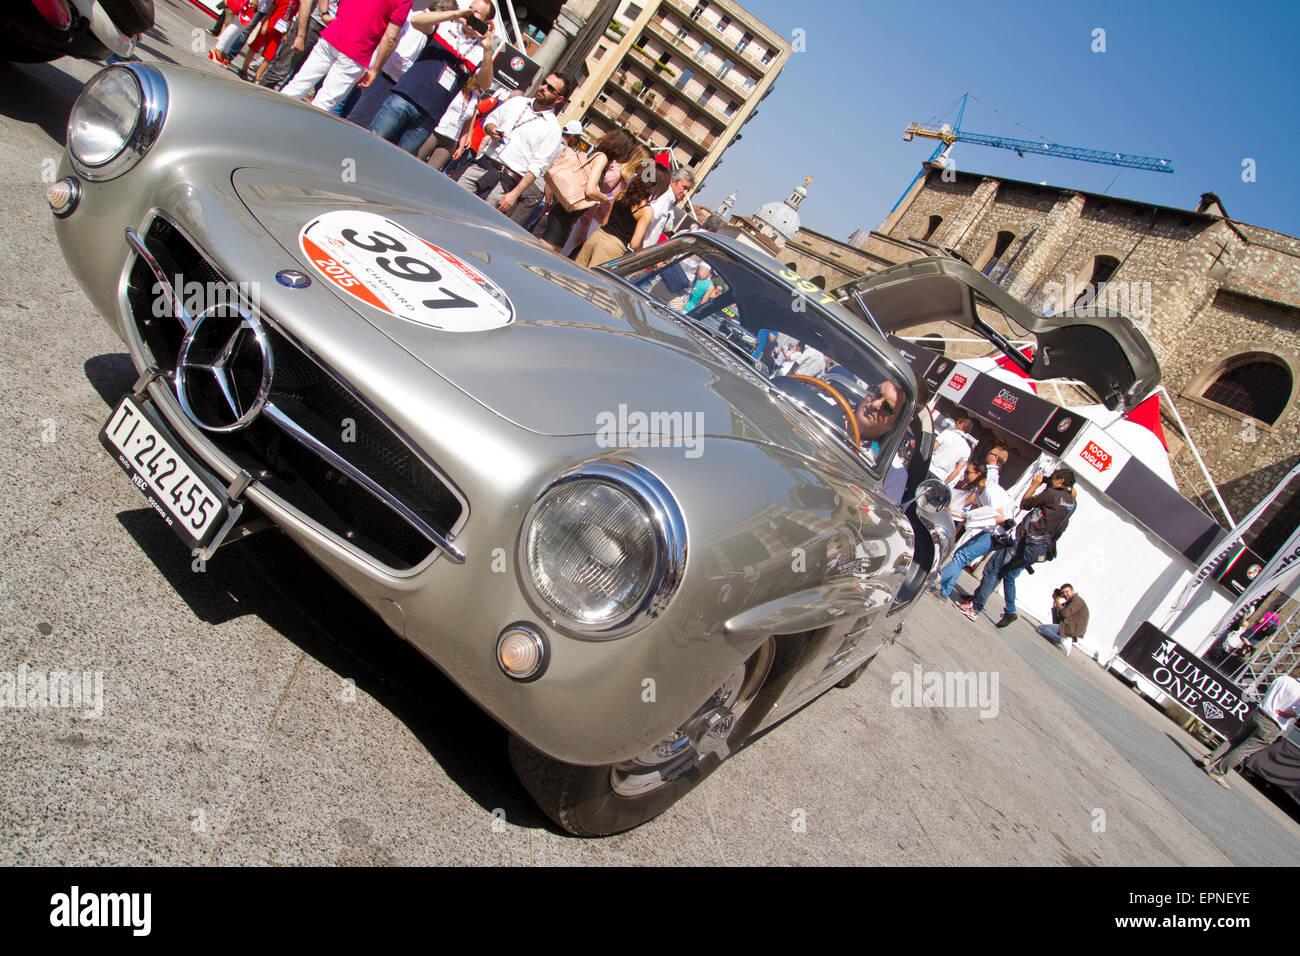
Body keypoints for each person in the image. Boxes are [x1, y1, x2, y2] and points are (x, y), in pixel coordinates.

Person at [368, 1, 495, 155]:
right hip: (405, 97)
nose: (470, 14)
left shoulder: (481, 52)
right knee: (371, 141)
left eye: (476, 13)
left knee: (396, 160)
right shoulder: (446, 25)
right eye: (470, 9)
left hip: (429, 117)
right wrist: (455, 14)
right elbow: (416, 21)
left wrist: (488, 49)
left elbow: (485, 84)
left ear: (487, 23)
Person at [958, 466, 1077, 626]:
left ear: (1061, 480)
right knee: (1007, 574)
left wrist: (1034, 486)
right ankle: (1007, 609)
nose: (1051, 480)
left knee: (993, 568)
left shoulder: (1051, 494)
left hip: (1023, 539)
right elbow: (1061, 525)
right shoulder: (1071, 503)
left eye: (1054, 478)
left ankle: (975, 607)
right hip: (1038, 546)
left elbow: (1025, 504)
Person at [460, 73, 570, 226]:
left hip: (504, 181)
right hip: (482, 165)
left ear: (559, 99)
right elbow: (491, 119)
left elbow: (537, 167)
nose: (543, 88)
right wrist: (491, 129)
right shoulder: (518, 102)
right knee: (449, 202)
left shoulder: (552, 129)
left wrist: (514, 194)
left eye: (551, 88)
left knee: (476, 223)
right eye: (544, 83)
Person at [280, 0, 412, 114]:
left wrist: (324, 13)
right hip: (356, 52)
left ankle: (269, 118)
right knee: (323, 104)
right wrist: (375, 69)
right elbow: (390, 37)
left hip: (333, 35)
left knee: (298, 84)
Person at [543, 128, 638, 252]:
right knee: (546, 249)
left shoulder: (600, 156)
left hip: (567, 211)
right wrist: (604, 198)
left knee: (548, 249)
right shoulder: (602, 158)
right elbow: (590, 190)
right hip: (566, 213)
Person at [1198, 674, 1300, 790]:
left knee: (1236, 740)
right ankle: (1218, 772)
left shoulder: (1284, 678)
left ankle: (1209, 758)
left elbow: (1269, 692)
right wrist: (1291, 714)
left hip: (1259, 712)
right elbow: (1293, 714)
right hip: (1273, 723)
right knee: (1244, 749)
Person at [574, 160, 667, 267]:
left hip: (597, 236)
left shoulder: (622, 194)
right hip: (613, 248)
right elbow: (635, 243)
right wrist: (642, 250)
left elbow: (605, 221)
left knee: (574, 274)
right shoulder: (646, 210)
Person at [258, 0, 334, 91]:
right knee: (281, 70)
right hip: (312, 24)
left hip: (330, 31)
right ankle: (256, 98)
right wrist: (300, 36)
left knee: (300, 80)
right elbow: (306, 2)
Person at [644, 167, 695, 245]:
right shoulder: (663, 198)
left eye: (688, 190)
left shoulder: (669, 202)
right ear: (673, 182)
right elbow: (646, 219)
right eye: (684, 187)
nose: (685, 193)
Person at [1036, 584, 1088, 656]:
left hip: (1071, 629)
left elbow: (1064, 613)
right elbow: (1057, 611)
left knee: (1041, 628)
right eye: (1064, 592)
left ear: (1072, 591)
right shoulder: (1071, 601)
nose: (1066, 594)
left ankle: (1063, 640)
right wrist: (1056, 600)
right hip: (1067, 626)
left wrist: (1056, 600)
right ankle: (1061, 638)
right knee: (1057, 610)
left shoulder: (1077, 600)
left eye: (1067, 592)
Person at [931, 416, 976, 482]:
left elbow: (932, 448)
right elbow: (957, 470)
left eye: (957, 423)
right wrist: (945, 483)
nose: (955, 425)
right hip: (940, 477)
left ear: (961, 425)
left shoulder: (947, 433)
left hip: (929, 468)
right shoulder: (967, 449)